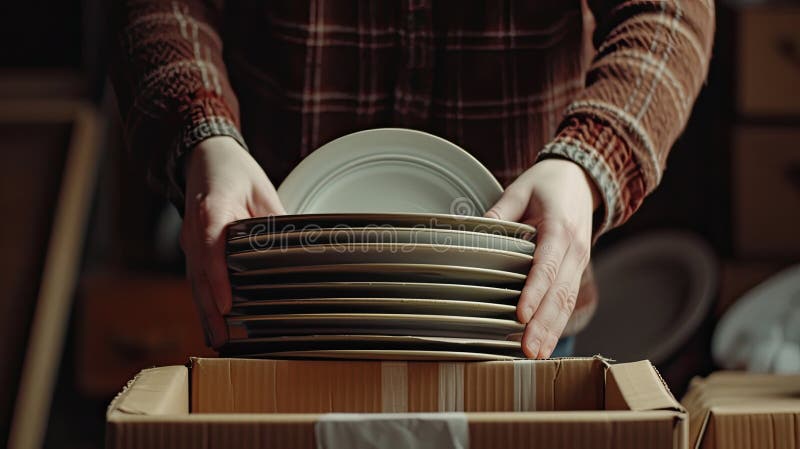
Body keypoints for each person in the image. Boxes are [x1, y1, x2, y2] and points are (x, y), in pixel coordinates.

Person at [111, 0, 714, 358]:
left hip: (518, 318)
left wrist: (589, 162)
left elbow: (669, 11)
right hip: (280, 319)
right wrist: (202, 131)